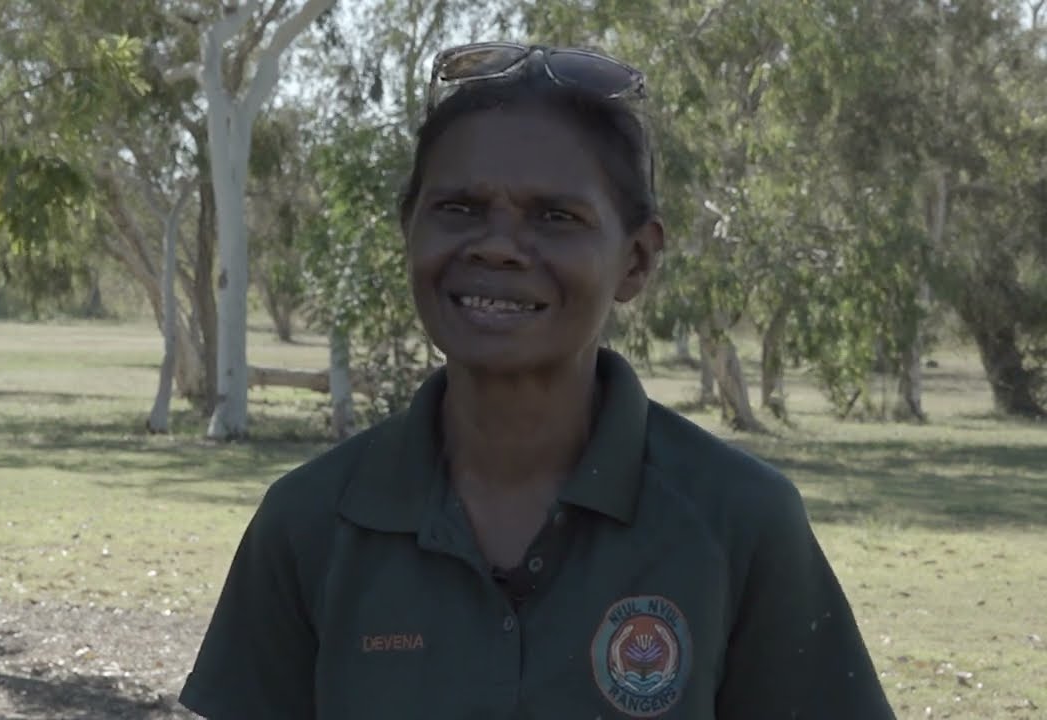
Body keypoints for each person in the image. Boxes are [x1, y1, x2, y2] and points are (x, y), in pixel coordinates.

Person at [178, 42, 895, 719]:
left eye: (556, 217)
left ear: (637, 260)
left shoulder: (739, 522)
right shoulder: (309, 523)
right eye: (459, 209)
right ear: (409, 231)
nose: (496, 246)